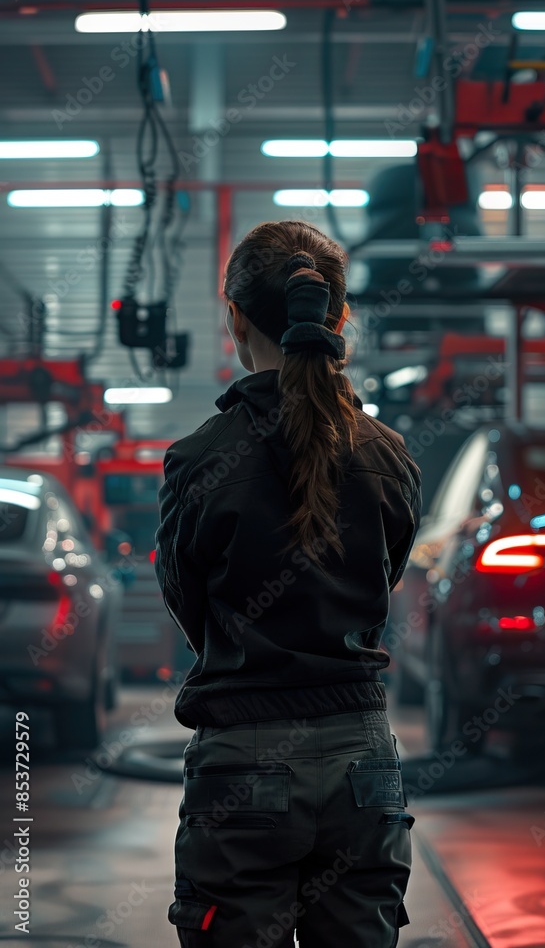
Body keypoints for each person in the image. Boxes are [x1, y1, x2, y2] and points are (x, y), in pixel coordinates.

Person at [155, 220, 422, 948]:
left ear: (236, 319)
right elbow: (383, 579)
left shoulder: (200, 459)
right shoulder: (389, 456)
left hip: (243, 764)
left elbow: (189, 601)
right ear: (339, 318)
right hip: (363, 770)